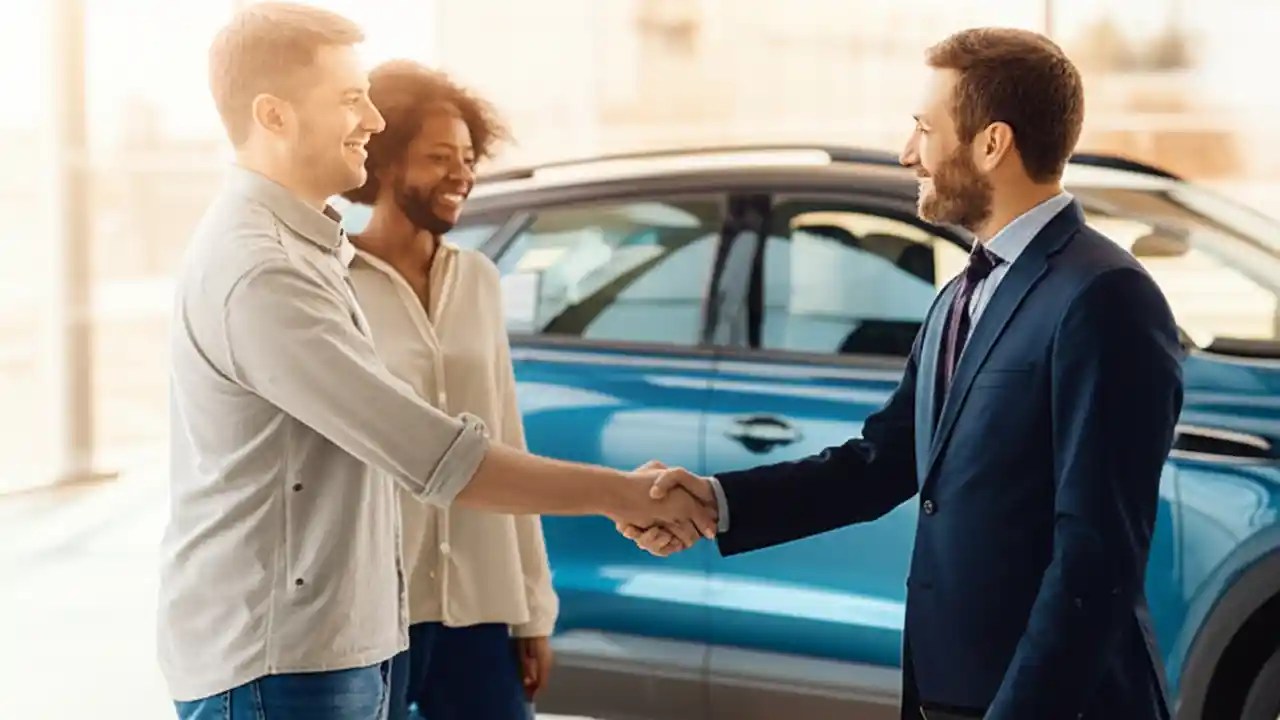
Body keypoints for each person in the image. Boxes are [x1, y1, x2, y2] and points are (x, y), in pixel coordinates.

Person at [159, 5, 714, 720]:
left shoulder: (306, 248)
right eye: (348, 97)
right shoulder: (263, 270)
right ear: (274, 115)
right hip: (280, 664)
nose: (372, 117)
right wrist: (626, 496)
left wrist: (527, 603)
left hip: (334, 646)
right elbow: (434, 457)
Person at [622, 27, 1184, 720]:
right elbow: (881, 463)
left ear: (992, 143)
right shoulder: (958, 296)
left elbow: (1096, 559)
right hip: (948, 691)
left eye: (924, 127)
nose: (907, 151)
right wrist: (714, 501)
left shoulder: (1105, 297)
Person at [339, 60, 552, 719]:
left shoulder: (480, 279)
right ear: (386, 164)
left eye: (467, 157)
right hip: (373, 607)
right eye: (439, 157)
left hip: (479, 607)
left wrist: (532, 607)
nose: (461, 173)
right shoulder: (332, 281)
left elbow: (504, 432)